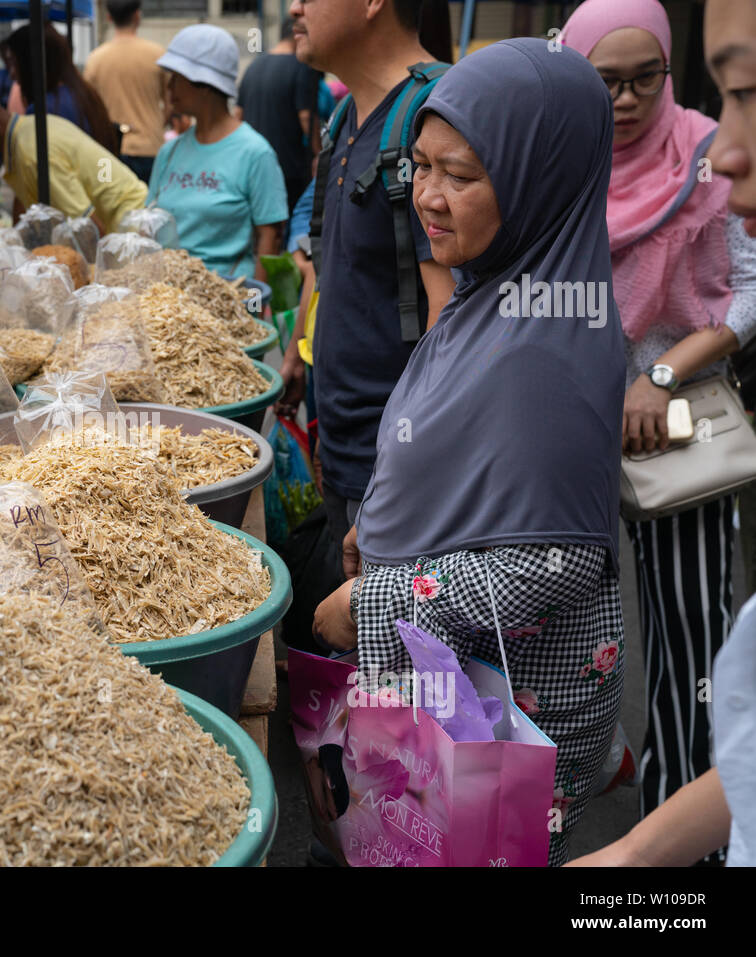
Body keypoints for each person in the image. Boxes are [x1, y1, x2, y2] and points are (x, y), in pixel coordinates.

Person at [311, 38, 627, 867]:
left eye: (463, 175)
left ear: (536, 178)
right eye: (420, 166)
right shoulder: (502, 286)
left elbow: (555, 560)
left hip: (506, 710)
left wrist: (377, 596)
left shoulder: (543, 347)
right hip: (457, 672)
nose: (428, 197)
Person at [561, 0, 756, 851]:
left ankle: (686, 841)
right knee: (567, 631)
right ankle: (572, 800)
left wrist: (663, 372)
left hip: (681, 431)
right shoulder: (557, 158)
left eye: (648, 78)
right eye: (606, 82)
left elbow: (751, 287)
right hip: (568, 426)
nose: (629, 100)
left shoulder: (715, 151)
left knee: (692, 641)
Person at [278, 0, 456, 561]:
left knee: (395, 642)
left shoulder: (434, 113)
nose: (293, 7)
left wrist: (404, 476)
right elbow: (329, 255)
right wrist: (295, 359)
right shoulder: (345, 118)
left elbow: (450, 312)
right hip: (343, 447)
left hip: (398, 470)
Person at [146, 25, 287, 283]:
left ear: (204, 84)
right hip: (167, 300)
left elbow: (270, 235)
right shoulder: (169, 151)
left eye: (176, 76)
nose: (169, 86)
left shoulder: (255, 153)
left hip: (225, 299)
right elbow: (149, 223)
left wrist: (252, 304)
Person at [0, 69, 146, 234]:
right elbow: (23, 206)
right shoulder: (27, 132)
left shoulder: (32, 151)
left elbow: (87, 230)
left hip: (134, 230)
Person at [237, 18, 322, 211]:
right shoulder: (301, 67)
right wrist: (319, 153)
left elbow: (237, 114)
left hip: (252, 166)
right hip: (288, 169)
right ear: (297, 33)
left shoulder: (253, 66)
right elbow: (306, 117)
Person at [84, 0, 166, 183]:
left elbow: (88, 109)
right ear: (137, 15)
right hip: (150, 147)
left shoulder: (95, 60)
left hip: (109, 151)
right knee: (149, 208)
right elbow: (171, 104)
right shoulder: (157, 55)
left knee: (112, 207)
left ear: (109, 17)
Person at [6, 23, 118, 154]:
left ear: (30, 63)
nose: (12, 74)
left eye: (14, 63)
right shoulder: (85, 95)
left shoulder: (45, 111)